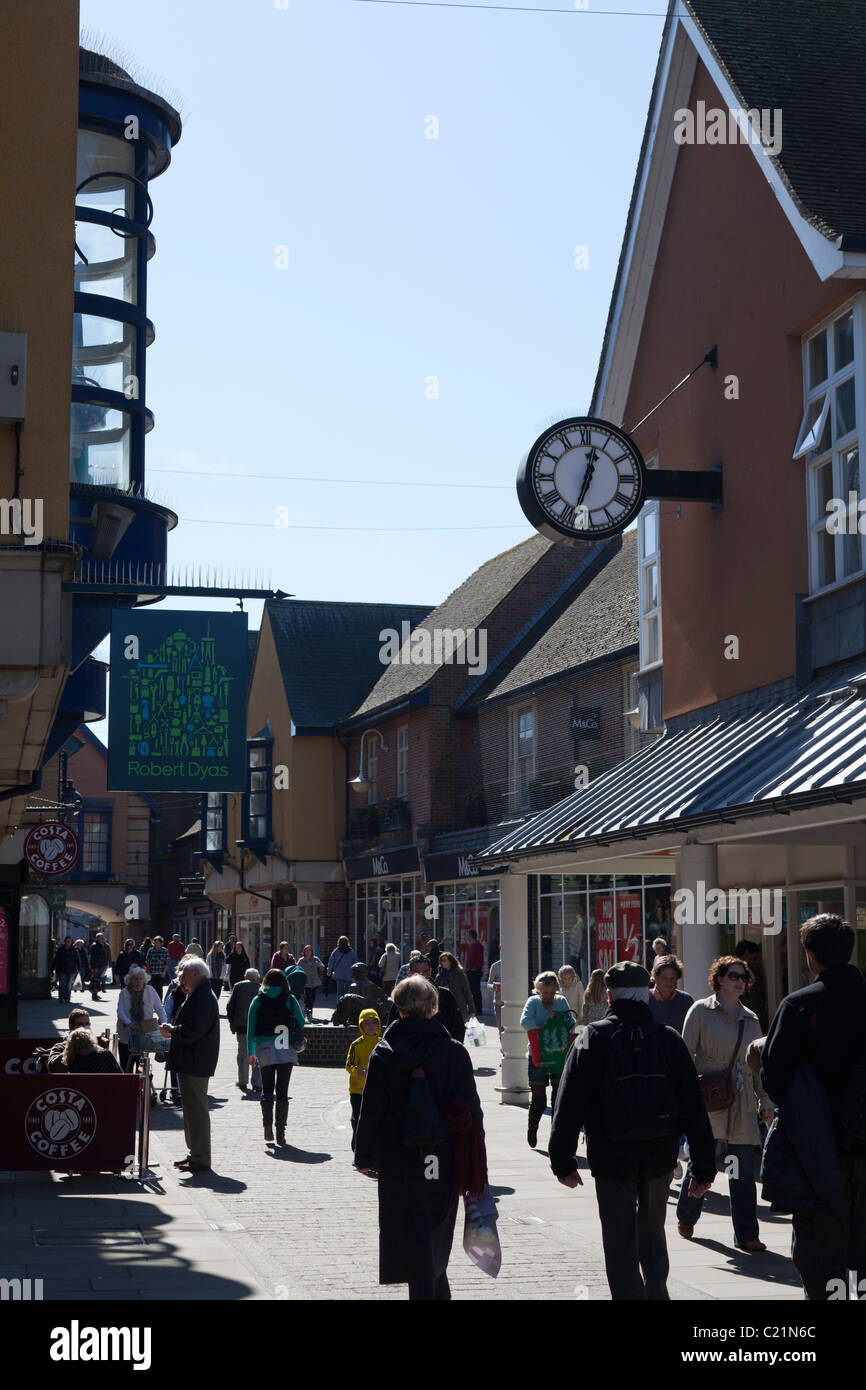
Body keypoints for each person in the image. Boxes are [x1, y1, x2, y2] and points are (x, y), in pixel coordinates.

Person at [549, 961, 717, 1301]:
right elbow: (693, 1107)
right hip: (658, 1154)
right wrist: (703, 1165)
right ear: (645, 997)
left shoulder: (592, 1037)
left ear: (609, 996)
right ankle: (657, 1292)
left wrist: (562, 1160)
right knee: (653, 1230)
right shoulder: (668, 1039)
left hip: (611, 1156)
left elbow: (568, 1102)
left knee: (618, 1234)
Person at [354, 975, 487, 1301]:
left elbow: (370, 1110)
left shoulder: (383, 1054)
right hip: (443, 1156)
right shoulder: (453, 1052)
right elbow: (473, 1110)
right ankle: (431, 1290)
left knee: (409, 1229)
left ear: (398, 1009)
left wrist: (364, 1156)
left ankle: (428, 1290)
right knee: (436, 1230)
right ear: (432, 1007)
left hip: (399, 1159)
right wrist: (478, 1161)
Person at [761, 913, 866, 1300]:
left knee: (823, 1263)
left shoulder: (799, 1006)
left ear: (809, 955)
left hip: (819, 1154)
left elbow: (775, 1079)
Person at [677, 955, 773, 1251]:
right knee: (701, 1160)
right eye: (733, 975)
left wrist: (765, 1101)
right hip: (710, 1096)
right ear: (719, 978)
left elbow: (757, 1065)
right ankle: (687, 1214)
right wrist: (688, 1097)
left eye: (743, 977)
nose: (739, 981)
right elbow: (684, 1056)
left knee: (741, 1169)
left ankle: (747, 1235)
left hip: (741, 1100)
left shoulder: (751, 1018)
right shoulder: (700, 1011)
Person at [159, 955, 220, 1172]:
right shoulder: (198, 993)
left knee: (196, 1110)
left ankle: (201, 1157)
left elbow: (194, 1031)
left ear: (195, 974)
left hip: (197, 1061)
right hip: (192, 1060)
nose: (181, 980)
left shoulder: (203, 997)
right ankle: (195, 1153)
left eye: (183, 975)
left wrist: (172, 1030)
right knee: (191, 1110)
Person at [246, 968, 306, 1146]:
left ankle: (267, 1126)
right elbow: (301, 1022)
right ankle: (281, 1131)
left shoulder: (257, 1000)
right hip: (285, 1044)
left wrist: (250, 1052)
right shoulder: (289, 998)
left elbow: (251, 1027)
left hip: (264, 1046)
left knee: (267, 1088)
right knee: (282, 1090)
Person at [521, 971, 575, 1149]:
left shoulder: (561, 1002)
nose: (549, 996)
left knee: (559, 1095)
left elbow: (570, 1021)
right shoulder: (533, 1002)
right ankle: (532, 1128)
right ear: (538, 990)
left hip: (558, 1054)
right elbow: (525, 1021)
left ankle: (555, 1134)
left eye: (552, 992)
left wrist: (565, 1021)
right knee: (539, 1097)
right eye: (545, 992)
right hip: (539, 1053)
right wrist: (544, 1028)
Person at [116, 965, 167, 1072]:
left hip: (144, 1034)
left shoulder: (150, 990)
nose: (138, 981)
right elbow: (120, 1012)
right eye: (135, 979)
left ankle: (140, 1087)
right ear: (130, 980)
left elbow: (159, 1009)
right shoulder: (124, 992)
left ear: (144, 980)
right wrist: (129, 1023)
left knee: (141, 1066)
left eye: (140, 979)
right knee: (126, 1066)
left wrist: (164, 1024)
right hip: (126, 1034)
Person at [345, 1008, 381, 1148]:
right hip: (358, 1089)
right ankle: (356, 1144)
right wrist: (357, 1070)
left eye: (374, 1022)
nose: (371, 1026)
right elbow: (349, 1064)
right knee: (357, 1118)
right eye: (367, 1023)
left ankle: (373, 1148)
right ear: (361, 1026)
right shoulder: (356, 1045)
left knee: (374, 1119)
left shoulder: (382, 1043)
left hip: (377, 1089)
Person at [227, 967, 262, 1092]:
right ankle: (257, 1083)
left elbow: (230, 1006)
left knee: (242, 1053)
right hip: (258, 1027)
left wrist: (232, 1021)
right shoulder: (261, 988)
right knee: (257, 1053)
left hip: (242, 1026)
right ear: (256, 977)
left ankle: (242, 1081)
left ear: (245, 977)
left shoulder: (238, 986)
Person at [331, 963, 390, 1027]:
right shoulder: (371, 985)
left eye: (354, 972)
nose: (352, 974)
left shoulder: (366, 986)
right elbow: (384, 998)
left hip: (362, 1016)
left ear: (359, 973)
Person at [647, 955, 694, 1034]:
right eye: (665, 978)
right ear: (655, 976)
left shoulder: (686, 1001)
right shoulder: (644, 999)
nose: (669, 983)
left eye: (673, 979)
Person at [734, 940, 769, 1033]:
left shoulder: (731, 974)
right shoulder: (751, 974)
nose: (758, 962)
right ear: (746, 953)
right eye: (755, 958)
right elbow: (756, 1005)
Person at [436, 951, 475, 1022]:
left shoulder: (459, 974)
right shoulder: (439, 976)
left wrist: (472, 1010)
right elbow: (435, 990)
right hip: (444, 1008)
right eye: (441, 960)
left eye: (444, 960)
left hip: (458, 1007)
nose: (442, 962)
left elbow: (467, 992)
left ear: (450, 961)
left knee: (458, 1031)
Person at [297, 943, 325, 1019]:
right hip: (306, 983)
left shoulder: (316, 959)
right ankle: (309, 1013)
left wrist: (320, 964)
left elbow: (322, 968)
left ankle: (308, 1011)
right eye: (306, 950)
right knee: (308, 998)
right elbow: (297, 970)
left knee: (312, 999)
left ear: (312, 951)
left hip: (315, 983)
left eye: (310, 950)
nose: (308, 952)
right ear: (304, 952)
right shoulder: (301, 961)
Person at [464, 929, 485, 1016]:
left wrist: (474, 968)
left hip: (474, 972)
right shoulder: (472, 945)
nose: (467, 938)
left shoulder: (477, 945)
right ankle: (473, 1009)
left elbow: (479, 959)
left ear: (472, 936)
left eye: (468, 936)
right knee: (472, 991)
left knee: (476, 991)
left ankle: (478, 1009)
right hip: (470, 971)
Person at [52, 936, 78, 1004]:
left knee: (68, 985)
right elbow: (56, 960)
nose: (68, 943)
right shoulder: (61, 949)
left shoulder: (74, 949)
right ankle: (61, 997)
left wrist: (79, 968)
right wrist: (52, 969)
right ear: (65, 942)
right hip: (61, 969)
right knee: (62, 984)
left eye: (70, 941)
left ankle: (67, 998)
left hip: (71, 970)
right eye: (67, 941)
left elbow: (77, 959)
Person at [558, 964, 585, 1028]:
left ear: (573, 977)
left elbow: (581, 1003)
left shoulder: (578, 985)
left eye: (569, 978)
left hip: (575, 1019)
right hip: (561, 1020)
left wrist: (581, 1018)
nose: (567, 980)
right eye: (565, 978)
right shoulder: (559, 986)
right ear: (561, 978)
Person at [145, 936, 170, 1001]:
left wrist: (164, 972)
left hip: (160, 973)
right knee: (152, 989)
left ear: (161, 943)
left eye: (157, 942)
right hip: (152, 973)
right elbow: (147, 961)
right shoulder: (150, 950)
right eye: (155, 942)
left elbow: (166, 962)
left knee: (159, 988)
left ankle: (159, 1002)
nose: (156, 943)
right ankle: (152, 1002)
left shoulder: (165, 950)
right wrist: (148, 971)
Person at [487, 956, 502, 1036]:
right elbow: (488, 984)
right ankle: (503, 1048)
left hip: (515, 1002)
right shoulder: (495, 966)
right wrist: (494, 986)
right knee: (501, 1029)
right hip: (499, 1002)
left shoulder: (516, 964)